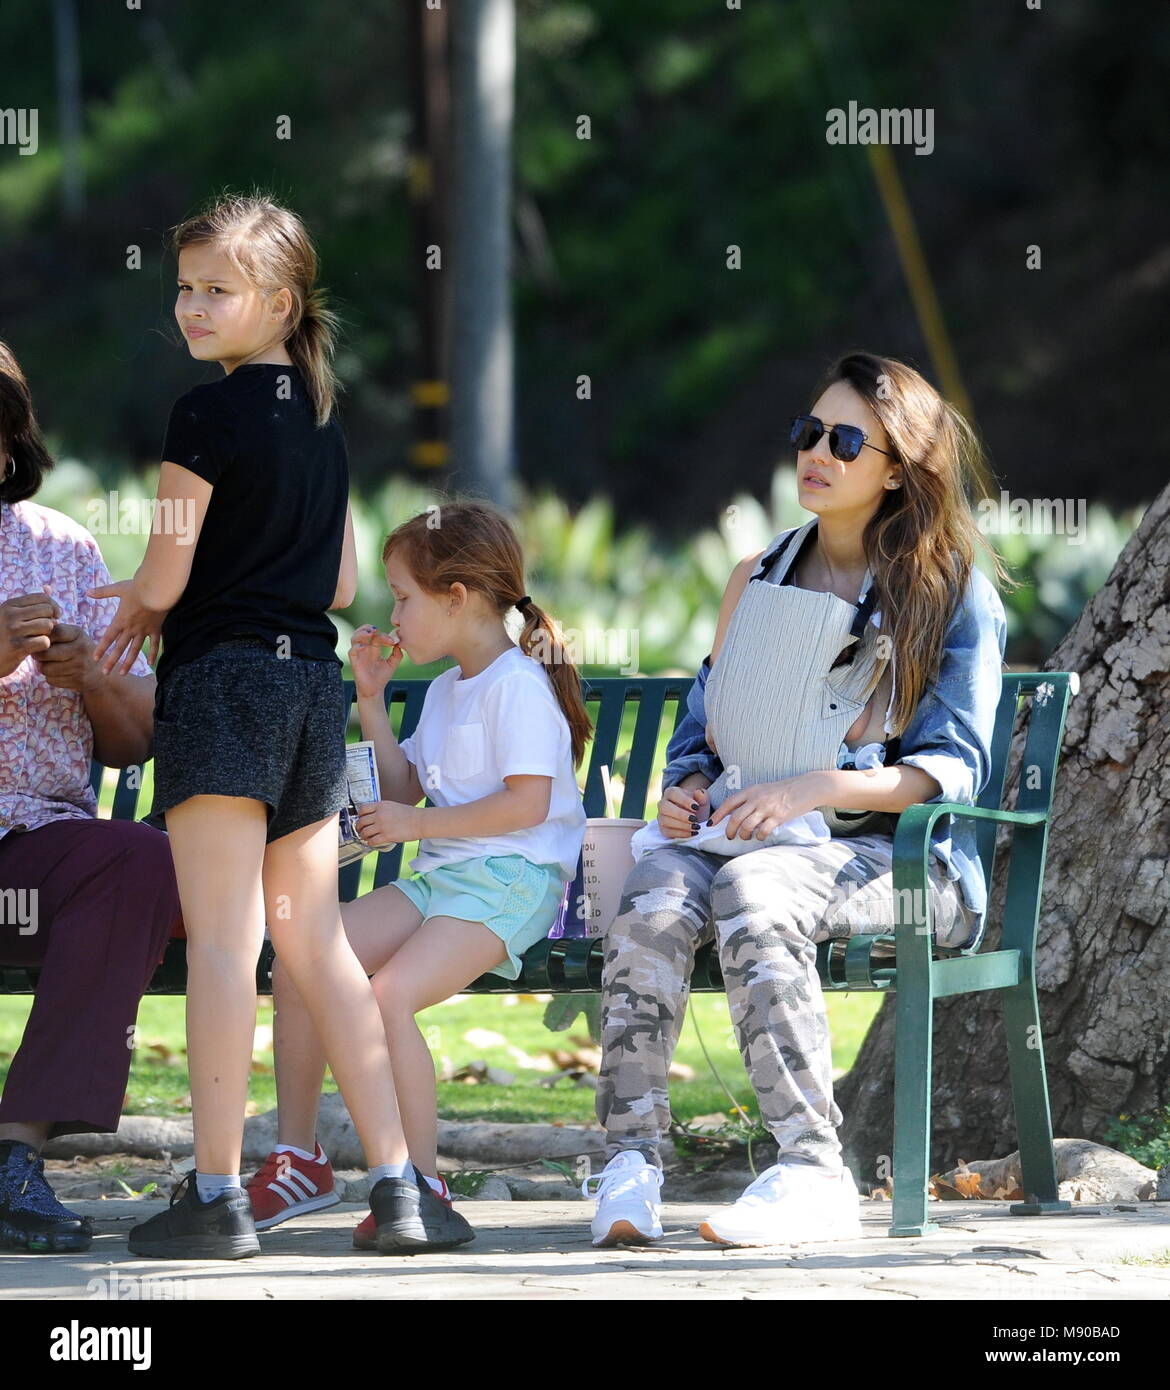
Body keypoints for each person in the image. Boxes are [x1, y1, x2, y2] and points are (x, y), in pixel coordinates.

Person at [92, 192, 466, 1259]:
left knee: (224, 943)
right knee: (315, 945)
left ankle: (216, 1195)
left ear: (280, 299)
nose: (193, 307)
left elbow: (166, 569)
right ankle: (399, 1190)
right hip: (308, 691)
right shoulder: (320, 418)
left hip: (223, 690)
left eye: (218, 289)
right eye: (185, 287)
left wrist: (130, 601)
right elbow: (344, 578)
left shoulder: (200, 417)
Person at [585, 350, 1010, 1249]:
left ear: (898, 468)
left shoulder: (949, 591)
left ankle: (813, 1168)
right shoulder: (759, 576)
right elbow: (705, 727)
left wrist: (815, 786)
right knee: (658, 892)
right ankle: (630, 1163)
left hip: (905, 866)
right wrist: (687, 788)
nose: (816, 451)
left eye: (845, 439)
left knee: (757, 892)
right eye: (808, 432)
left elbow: (953, 770)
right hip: (751, 840)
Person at [243, 501, 590, 1250]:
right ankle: (299, 1159)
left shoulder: (518, 685)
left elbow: (526, 804)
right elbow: (399, 793)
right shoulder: (443, 689)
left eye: (403, 596)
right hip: (443, 878)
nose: (393, 613)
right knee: (303, 963)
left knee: (387, 995)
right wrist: (370, 697)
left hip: (511, 880)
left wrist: (417, 827)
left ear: (456, 596)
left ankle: (419, 1186)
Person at [0, 338, 181, 1253]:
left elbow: (137, 738)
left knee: (141, 858)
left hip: (32, 861)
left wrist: (98, 683)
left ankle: (16, 1153)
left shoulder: (64, 550)